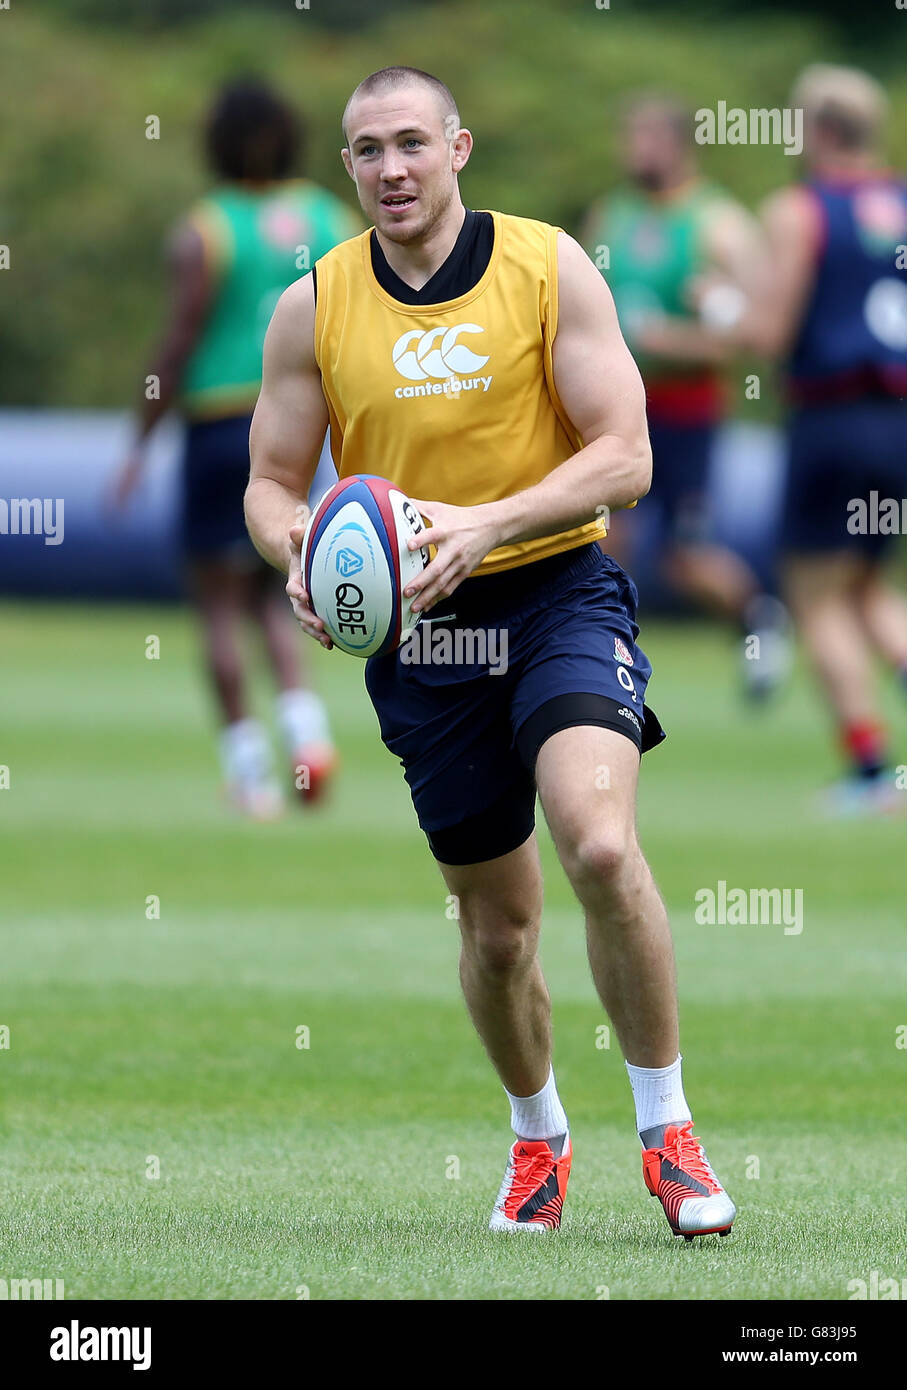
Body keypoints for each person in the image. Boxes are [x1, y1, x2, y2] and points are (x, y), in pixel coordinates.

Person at [246, 66, 736, 1238]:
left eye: (412, 143)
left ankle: (666, 1127)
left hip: (557, 589)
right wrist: (302, 555)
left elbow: (626, 457)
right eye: (366, 151)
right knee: (498, 927)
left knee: (603, 843)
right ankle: (537, 1138)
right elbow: (268, 487)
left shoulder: (546, 265)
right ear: (348, 167)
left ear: (458, 147)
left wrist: (480, 524)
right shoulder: (311, 305)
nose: (391, 169)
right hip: (422, 632)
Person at [115, 79, 361, 817]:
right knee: (273, 593)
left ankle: (250, 774)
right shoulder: (330, 215)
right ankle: (307, 738)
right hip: (298, 423)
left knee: (217, 604)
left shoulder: (204, 227)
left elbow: (180, 337)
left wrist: (139, 439)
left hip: (222, 425)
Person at [581, 94, 790, 700]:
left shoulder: (719, 224)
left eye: (645, 138)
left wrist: (676, 336)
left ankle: (758, 619)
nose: (633, 151)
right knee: (602, 538)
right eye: (628, 138)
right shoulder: (610, 215)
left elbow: (748, 339)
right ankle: (599, 659)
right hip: (616, 406)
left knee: (683, 557)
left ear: (677, 145)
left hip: (685, 414)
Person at [745, 65, 907, 812]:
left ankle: (871, 773)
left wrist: (703, 323)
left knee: (815, 596)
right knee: (868, 586)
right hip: (897, 421)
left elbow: (769, 331)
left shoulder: (798, 209)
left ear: (819, 129)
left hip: (831, 419)